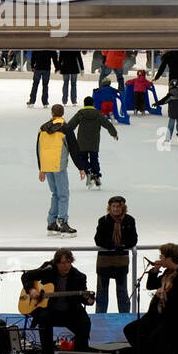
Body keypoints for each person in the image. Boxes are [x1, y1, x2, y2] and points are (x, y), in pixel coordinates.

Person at [124, 243, 178, 354]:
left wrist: (164, 295)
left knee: (154, 337)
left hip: (174, 320)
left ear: (170, 258)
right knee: (130, 330)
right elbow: (151, 285)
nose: (160, 258)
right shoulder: (167, 273)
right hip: (158, 316)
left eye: (162, 257)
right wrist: (154, 271)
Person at [21, 249, 94, 354]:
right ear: (56, 263)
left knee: (84, 323)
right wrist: (32, 289)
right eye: (62, 263)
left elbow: (83, 298)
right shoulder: (48, 269)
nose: (66, 266)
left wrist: (88, 300)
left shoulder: (79, 276)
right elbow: (26, 276)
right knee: (43, 320)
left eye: (68, 263)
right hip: (50, 310)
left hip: (71, 311)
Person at [36, 103, 88, 235]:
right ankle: (62, 221)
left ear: (52, 114)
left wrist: (41, 168)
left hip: (47, 166)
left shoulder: (42, 128)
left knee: (55, 194)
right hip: (58, 165)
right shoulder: (65, 128)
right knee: (63, 195)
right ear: (62, 113)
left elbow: (39, 149)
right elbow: (74, 148)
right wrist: (81, 167)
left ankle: (51, 222)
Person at [93, 195, 137, 313]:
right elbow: (98, 239)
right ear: (109, 207)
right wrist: (112, 245)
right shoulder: (103, 220)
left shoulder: (129, 220)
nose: (116, 209)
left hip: (121, 262)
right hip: (104, 262)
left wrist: (122, 245)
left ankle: (125, 317)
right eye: (113, 206)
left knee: (122, 292)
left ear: (123, 207)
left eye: (118, 206)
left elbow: (133, 239)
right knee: (102, 293)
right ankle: (100, 316)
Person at [66, 96, 118, 188]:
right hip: (94, 141)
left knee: (82, 159)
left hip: (82, 141)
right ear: (93, 104)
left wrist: (65, 135)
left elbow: (70, 125)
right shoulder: (98, 114)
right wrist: (114, 133)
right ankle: (96, 175)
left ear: (84, 104)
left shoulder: (80, 113)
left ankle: (88, 171)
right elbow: (108, 124)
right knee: (94, 159)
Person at [157, 79, 178, 144]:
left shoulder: (171, 94)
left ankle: (168, 138)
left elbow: (164, 100)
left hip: (173, 113)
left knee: (170, 126)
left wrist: (157, 103)